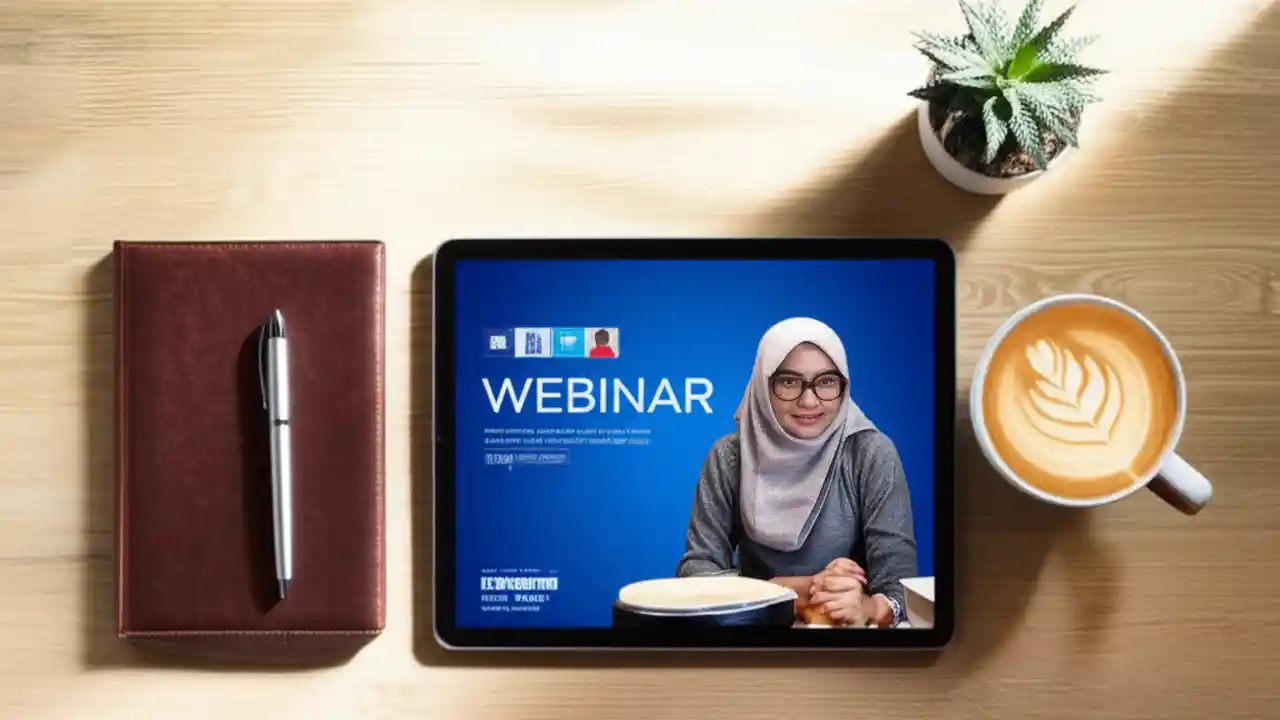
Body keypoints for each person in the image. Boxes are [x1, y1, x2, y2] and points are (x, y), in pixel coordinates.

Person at [675, 317, 917, 627]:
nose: (809, 400)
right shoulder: (728, 457)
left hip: (847, 639)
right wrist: (782, 591)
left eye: (826, 381)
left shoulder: (870, 453)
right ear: (763, 385)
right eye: (789, 381)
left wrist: (869, 607)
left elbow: (900, 587)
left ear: (844, 385)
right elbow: (696, 573)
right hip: (755, 634)